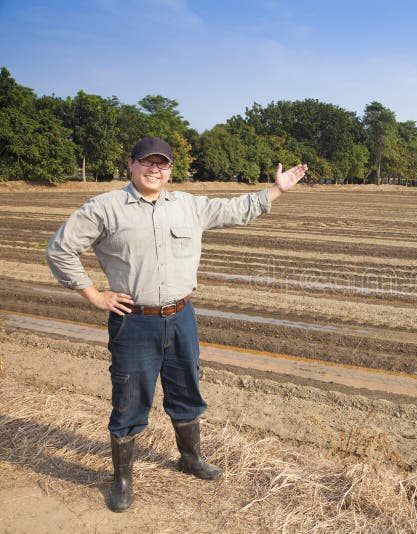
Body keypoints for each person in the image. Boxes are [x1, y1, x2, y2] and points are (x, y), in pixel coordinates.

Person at [45, 136, 307, 512]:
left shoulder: (189, 206)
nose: (155, 170)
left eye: (162, 164)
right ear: (131, 165)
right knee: (129, 401)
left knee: (187, 391)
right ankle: (121, 479)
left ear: (170, 170)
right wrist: (94, 294)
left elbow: (236, 209)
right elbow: (59, 249)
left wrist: (276, 191)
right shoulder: (105, 208)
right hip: (134, 322)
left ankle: (191, 459)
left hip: (181, 317)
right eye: (147, 163)